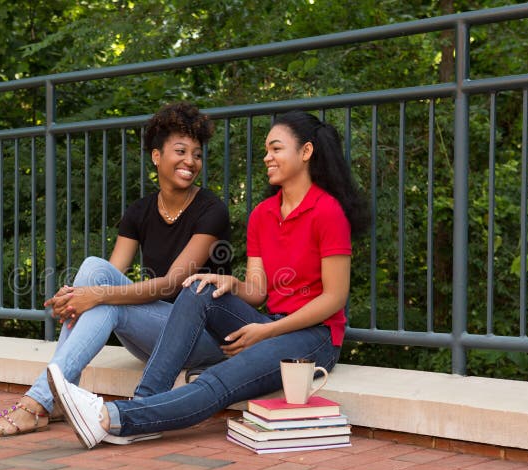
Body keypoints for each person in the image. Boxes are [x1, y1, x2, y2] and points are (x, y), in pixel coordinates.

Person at [46, 109, 370, 449]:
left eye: (276, 149)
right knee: (198, 285)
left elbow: (333, 299)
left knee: (218, 378)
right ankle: (146, 400)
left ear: (305, 153)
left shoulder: (328, 212)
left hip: (314, 337)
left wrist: (267, 331)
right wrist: (233, 285)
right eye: (266, 150)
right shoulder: (263, 214)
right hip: (269, 322)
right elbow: (258, 292)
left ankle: (118, 417)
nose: (267, 157)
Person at [0, 102, 231, 438]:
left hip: (202, 339)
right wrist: (80, 295)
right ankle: (57, 398)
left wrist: (94, 296)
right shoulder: (140, 211)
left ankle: (36, 404)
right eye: (180, 151)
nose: (190, 162)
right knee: (93, 268)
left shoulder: (212, 209)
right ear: (156, 156)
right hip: (156, 334)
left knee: (103, 299)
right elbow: (106, 273)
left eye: (197, 154)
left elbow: (170, 285)